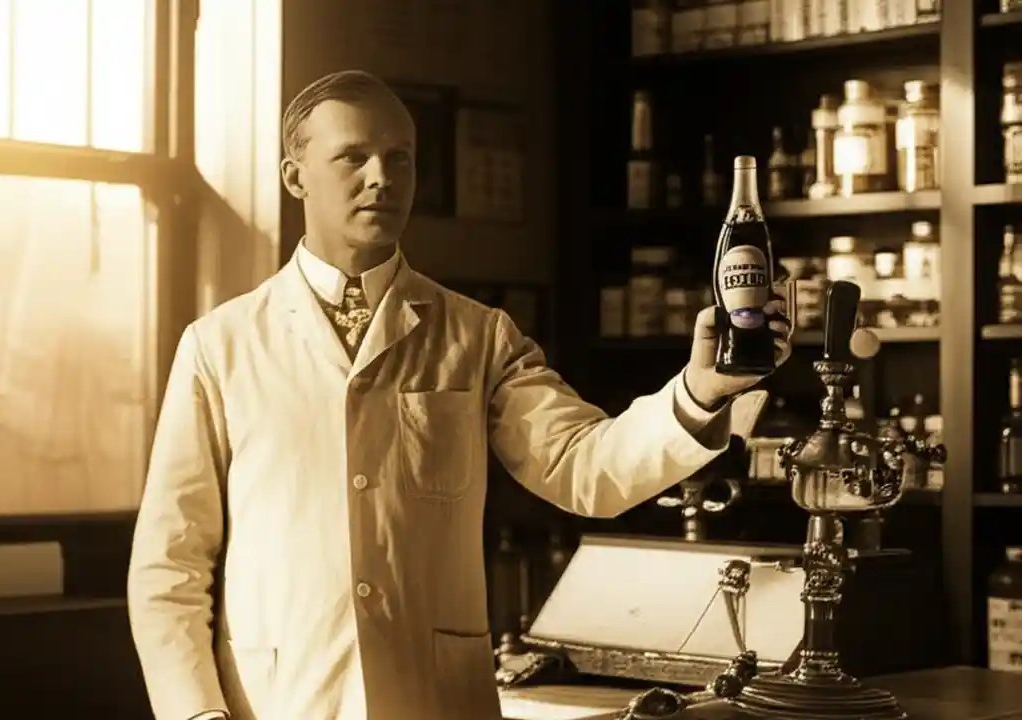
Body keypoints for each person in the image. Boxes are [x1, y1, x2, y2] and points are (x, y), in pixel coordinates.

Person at [127, 69, 791, 720]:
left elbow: (587, 469)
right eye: (352, 157)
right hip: (278, 700)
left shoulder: (477, 336)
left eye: (400, 158)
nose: (381, 177)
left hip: (434, 699)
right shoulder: (220, 346)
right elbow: (169, 566)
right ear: (295, 175)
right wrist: (197, 714)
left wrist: (702, 390)